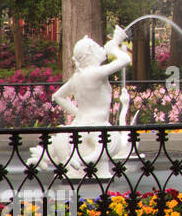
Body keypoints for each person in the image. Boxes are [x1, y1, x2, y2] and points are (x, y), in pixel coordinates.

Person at [35, 27, 131, 179]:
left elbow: (58, 96)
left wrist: (79, 114)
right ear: (89, 54)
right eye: (96, 47)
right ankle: (80, 161)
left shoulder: (78, 77)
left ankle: (76, 162)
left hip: (80, 125)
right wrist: (114, 49)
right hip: (99, 127)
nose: (101, 48)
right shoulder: (95, 73)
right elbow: (125, 60)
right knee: (115, 142)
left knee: (105, 144)